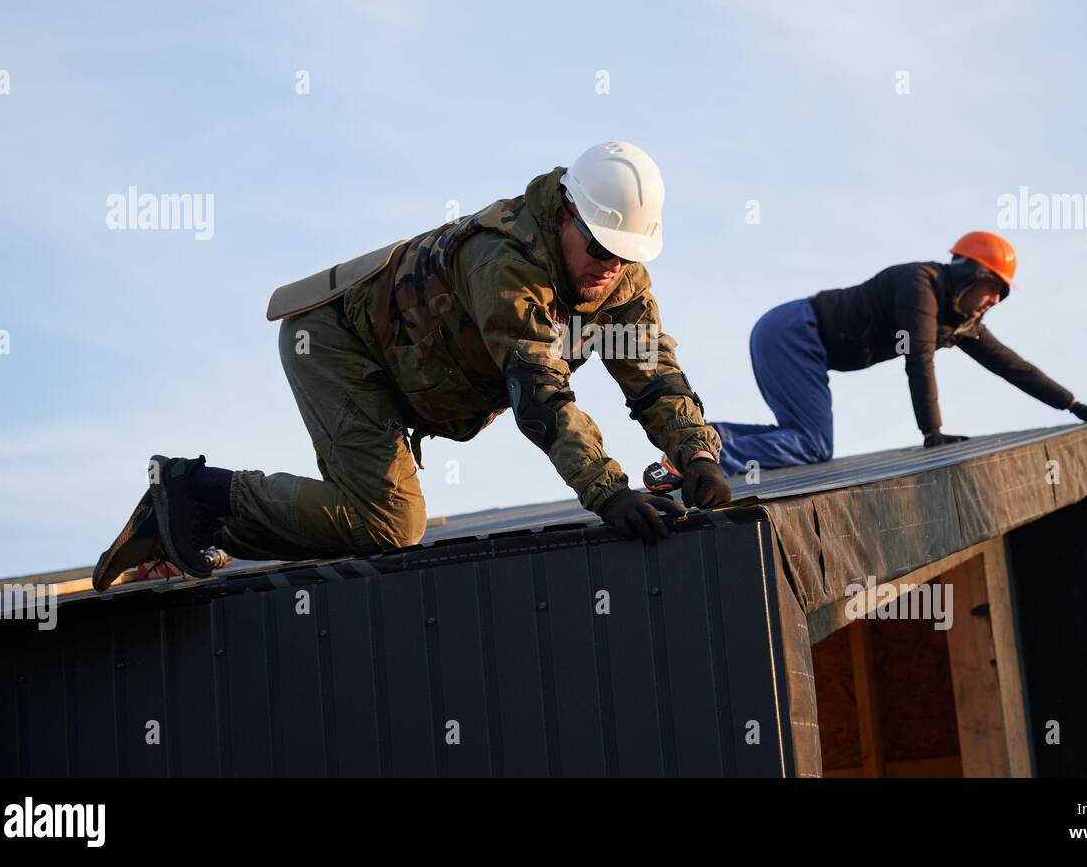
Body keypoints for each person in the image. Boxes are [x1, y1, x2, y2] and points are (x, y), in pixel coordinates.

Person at [94, 141, 730, 590]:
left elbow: (654, 377)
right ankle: (191, 495)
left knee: (379, 523)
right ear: (565, 215)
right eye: (597, 248)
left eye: (623, 255)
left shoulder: (616, 283)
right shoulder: (505, 262)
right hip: (338, 343)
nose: (607, 268)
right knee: (391, 522)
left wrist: (699, 458)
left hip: (406, 377)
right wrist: (609, 492)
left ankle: (183, 527)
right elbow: (540, 395)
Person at [710, 231, 1087, 475]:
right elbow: (918, 358)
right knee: (813, 444)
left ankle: (705, 440)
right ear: (974, 273)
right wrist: (932, 433)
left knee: (803, 440)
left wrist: (1071, 405)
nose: (995, 301)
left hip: (794, 338)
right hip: (793, 332)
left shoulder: (959, 321)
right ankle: (703, 454)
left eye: (1002, 296)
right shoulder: (920, 284)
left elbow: (1012, 367)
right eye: (994, 289)